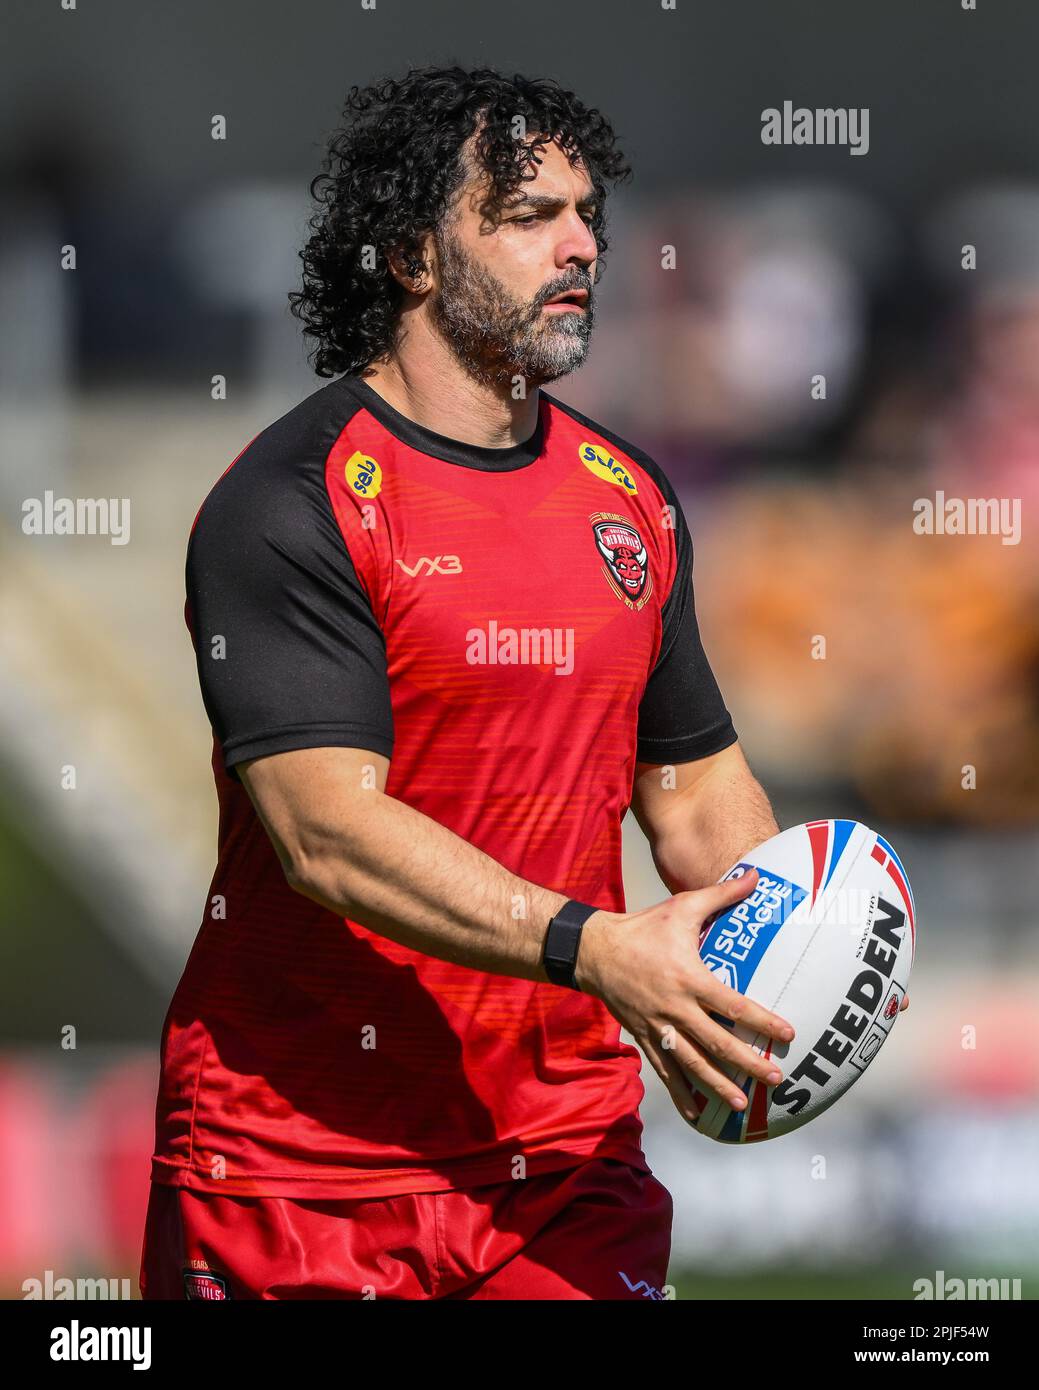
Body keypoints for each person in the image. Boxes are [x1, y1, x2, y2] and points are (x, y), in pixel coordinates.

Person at [141, 65, 796, 1302]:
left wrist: (791, 954)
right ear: (411, 256)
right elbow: (326, 833)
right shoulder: (289, 501)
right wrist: (594, 947)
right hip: (298, 1176)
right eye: (526, 214)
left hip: (562, 1167)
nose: (582, 244)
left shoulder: (632, 500)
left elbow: (696, 784)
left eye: (587, 212)